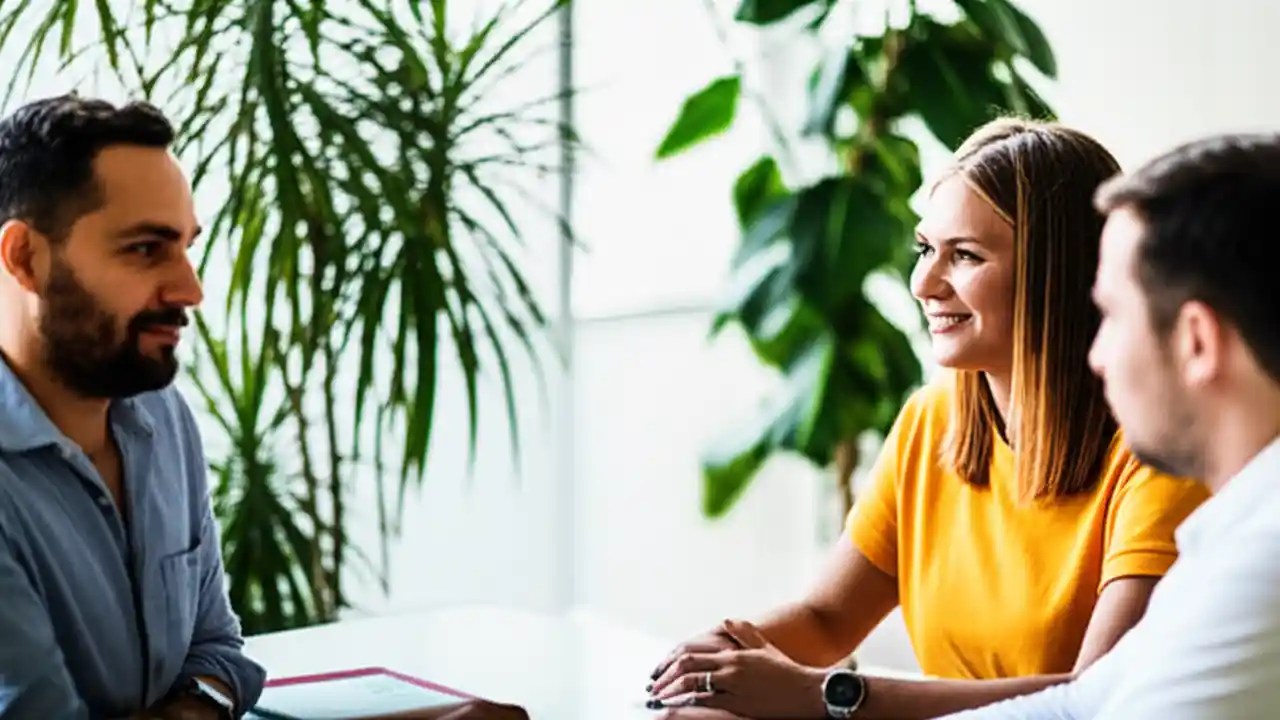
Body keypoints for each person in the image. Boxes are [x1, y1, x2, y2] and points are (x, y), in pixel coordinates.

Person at [645, 119, 1209, 719]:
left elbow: (1094, 700)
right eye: (924, 250)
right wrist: (720, 661)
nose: (923, 284)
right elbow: (827, 618)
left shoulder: (1156, 451)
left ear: (1058, 273)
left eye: (964, 256)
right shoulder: (931, 421)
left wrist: (827, 696)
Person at [0, 95, 534, 720]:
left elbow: (219, 654)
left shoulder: (160, 419)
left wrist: (194, 707)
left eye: (185, 247)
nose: (190, 289)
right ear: (25, 258)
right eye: (146, 249)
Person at [935, 133, 1280, 717]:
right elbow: (1081, 703)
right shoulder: (1236, 527)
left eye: (1113, 317)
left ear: (1197, 341)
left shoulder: (1264, 562)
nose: (1096, 355)